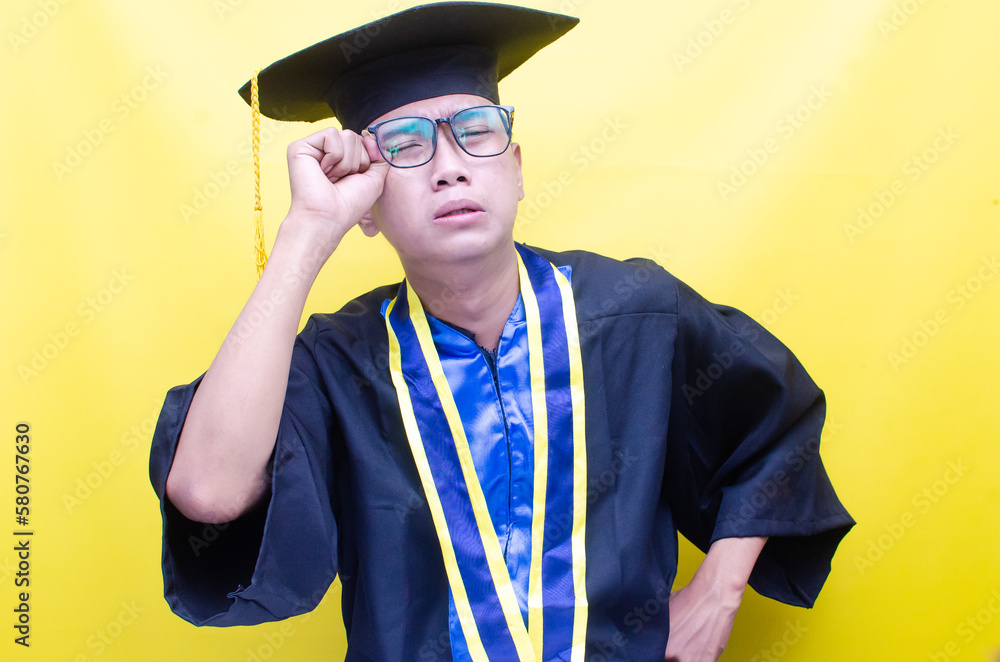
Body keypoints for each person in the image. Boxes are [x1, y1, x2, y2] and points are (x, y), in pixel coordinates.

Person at [149, 3, 854, 661]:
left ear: (515, 170)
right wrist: (307, 234)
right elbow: (208, 493)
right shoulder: (337, 365)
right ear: (366, 202)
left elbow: (772, 428)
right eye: (405, 145)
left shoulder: (636, 314)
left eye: (476, 132)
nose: (450, 167)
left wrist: (720, 589)